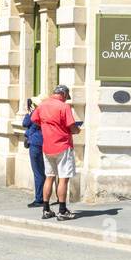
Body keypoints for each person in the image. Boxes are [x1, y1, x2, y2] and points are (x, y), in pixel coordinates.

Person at [31, 84, 81, 220]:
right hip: (62, 146)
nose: (66, 100)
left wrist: (48, 126)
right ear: (64, 94)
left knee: (49, 177)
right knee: (63, 179)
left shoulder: (42, 105)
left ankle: (46, 209)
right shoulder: (64, 107)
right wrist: (77, 130)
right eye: (66, 97)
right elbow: (71, 126)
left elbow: (34, 119)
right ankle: (62, 210)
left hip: (47, 147)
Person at [22, 97, 45, 208]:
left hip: (35, 144)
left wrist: (29, 112)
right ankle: (43, 197)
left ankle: (39, 198)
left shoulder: (35, 113)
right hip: (42, 143)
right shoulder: (45, 113)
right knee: (44, 172)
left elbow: (25, 123)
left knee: (38, 172)